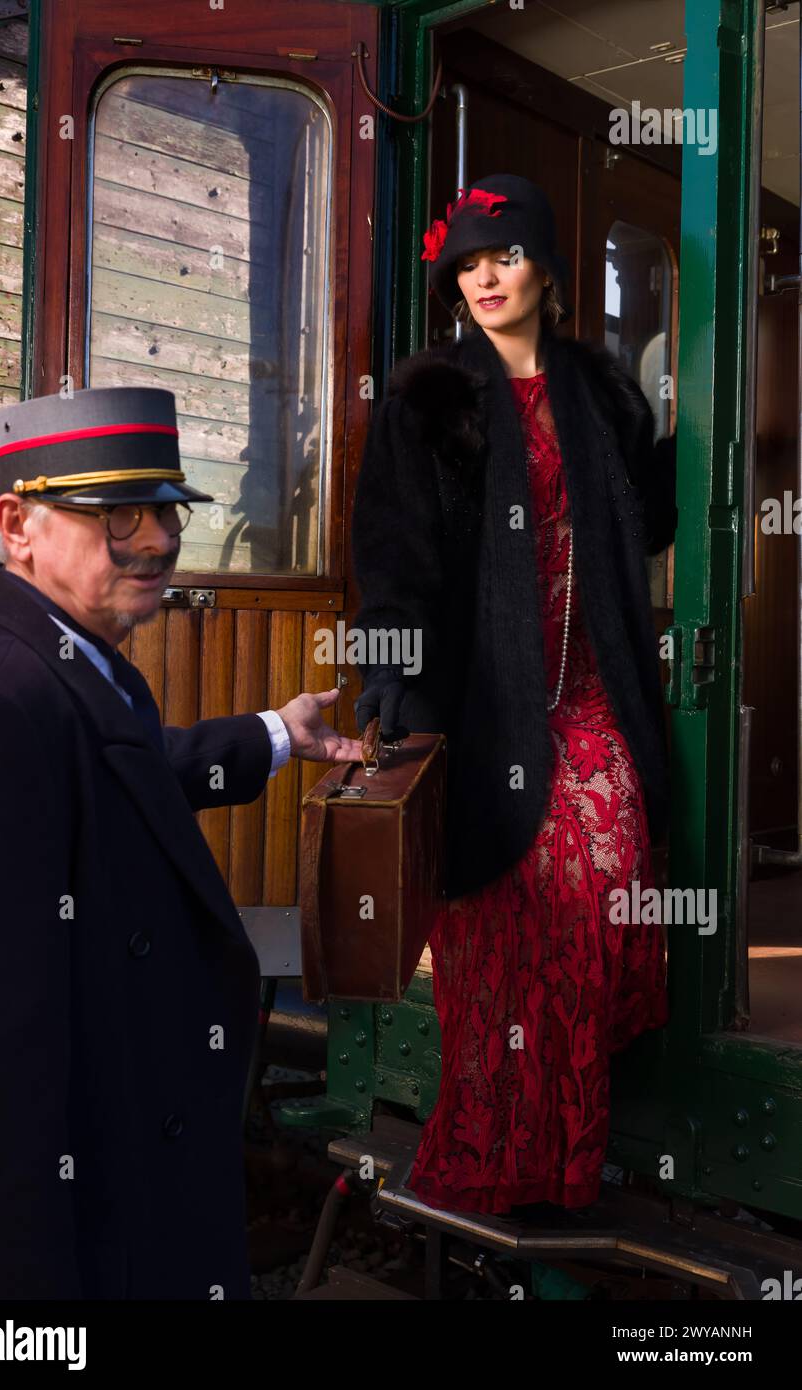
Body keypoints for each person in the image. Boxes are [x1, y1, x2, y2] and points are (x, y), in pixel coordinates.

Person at [0, 385, 363, 1299]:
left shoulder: (61, 656)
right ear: (17, 524)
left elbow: (124, 772)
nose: (160, 540)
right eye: (117, 514)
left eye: (168, 510)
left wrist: (275, 733)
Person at [351, 175, 677, 1216]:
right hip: (482, 699)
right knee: (502, 945)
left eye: (505, 257)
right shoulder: (427, 401)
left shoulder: (604, 393)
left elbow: (649, 525)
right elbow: (394, 561)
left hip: (590, 695)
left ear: (548, 269)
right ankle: (508, 1167)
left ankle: (565, 1154)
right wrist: (399, 700)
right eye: (468, 265)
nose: (484, 278)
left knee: (607, 886)